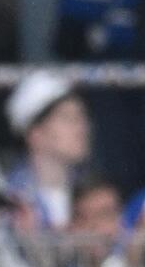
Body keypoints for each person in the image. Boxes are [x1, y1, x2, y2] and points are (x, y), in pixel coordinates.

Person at [5, 70, 92, 233]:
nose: (82, 128)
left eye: (82, 118)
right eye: (68, 119)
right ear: (35, 134)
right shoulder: (10, 201)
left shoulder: (94, 194)